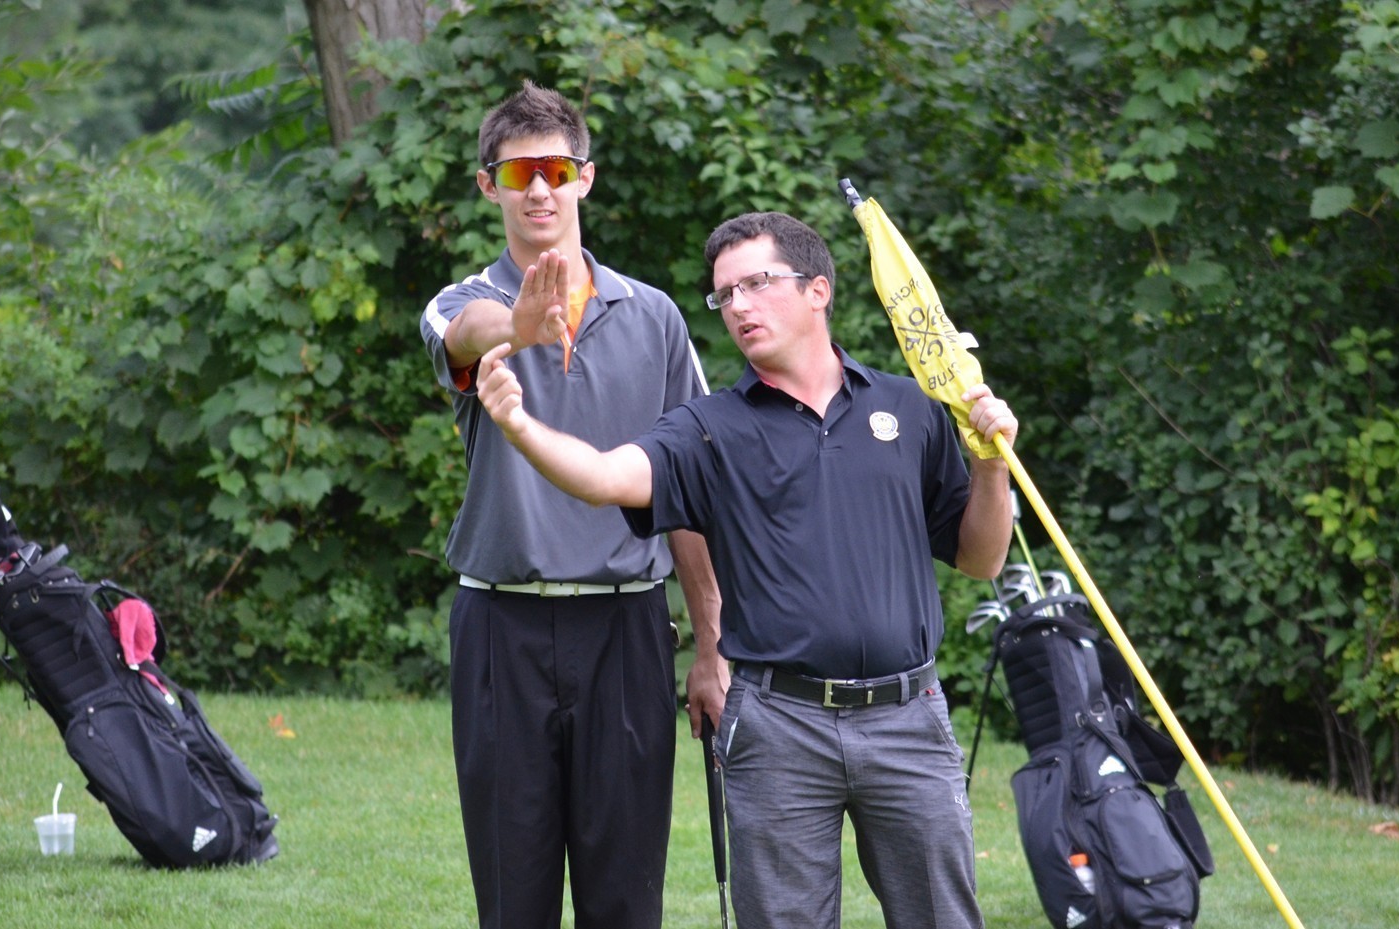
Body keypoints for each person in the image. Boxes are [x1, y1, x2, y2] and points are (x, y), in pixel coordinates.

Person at [473, 210, 1018, 929]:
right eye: (724, 295)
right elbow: (606, 477)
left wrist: (988, 463)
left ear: (818, 289)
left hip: (909, 720)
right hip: (778, 726)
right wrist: (519, 426)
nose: (738, 306)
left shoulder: (907, 408)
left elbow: (981, 557)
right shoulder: (710, 428)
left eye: (756, 284)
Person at [417, 81, 728, 929]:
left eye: (557, 168)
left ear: (585, 178)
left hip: (627, 630)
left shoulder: (656, 316)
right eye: (520, 173)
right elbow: (467, 335)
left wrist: (710, 645)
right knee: (514, 897)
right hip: (500, 630)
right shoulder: (462, 303)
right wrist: (518, 326)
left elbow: (689, 496)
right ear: (490, 186)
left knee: (626, 896)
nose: (540, 189)